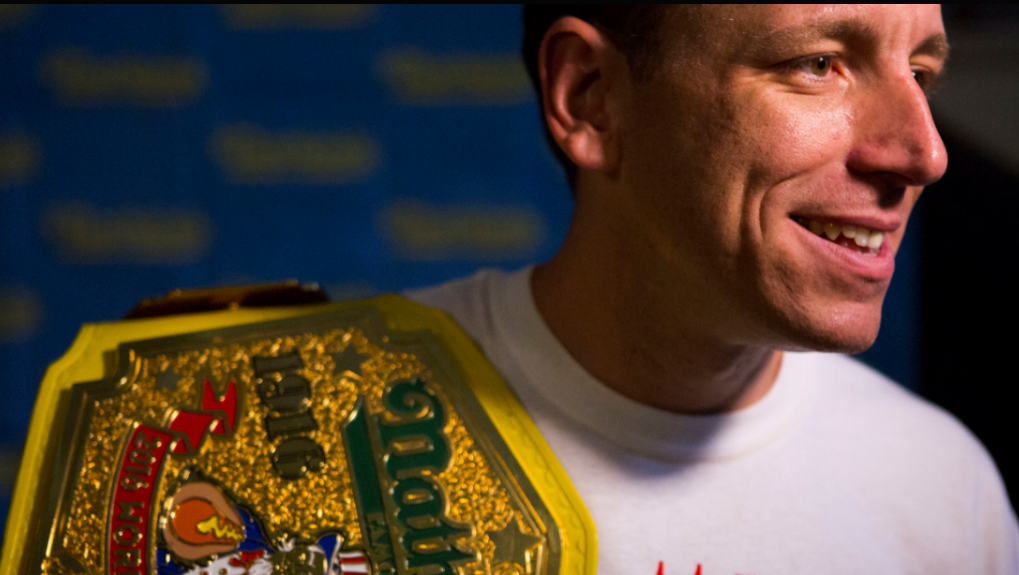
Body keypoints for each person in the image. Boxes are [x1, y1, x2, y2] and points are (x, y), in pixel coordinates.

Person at [410, 5, 1018, 573]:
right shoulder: (329, 425)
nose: (926, 154)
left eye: (919, 72)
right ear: (590, 96)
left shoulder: (945, 488)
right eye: (817, 65)